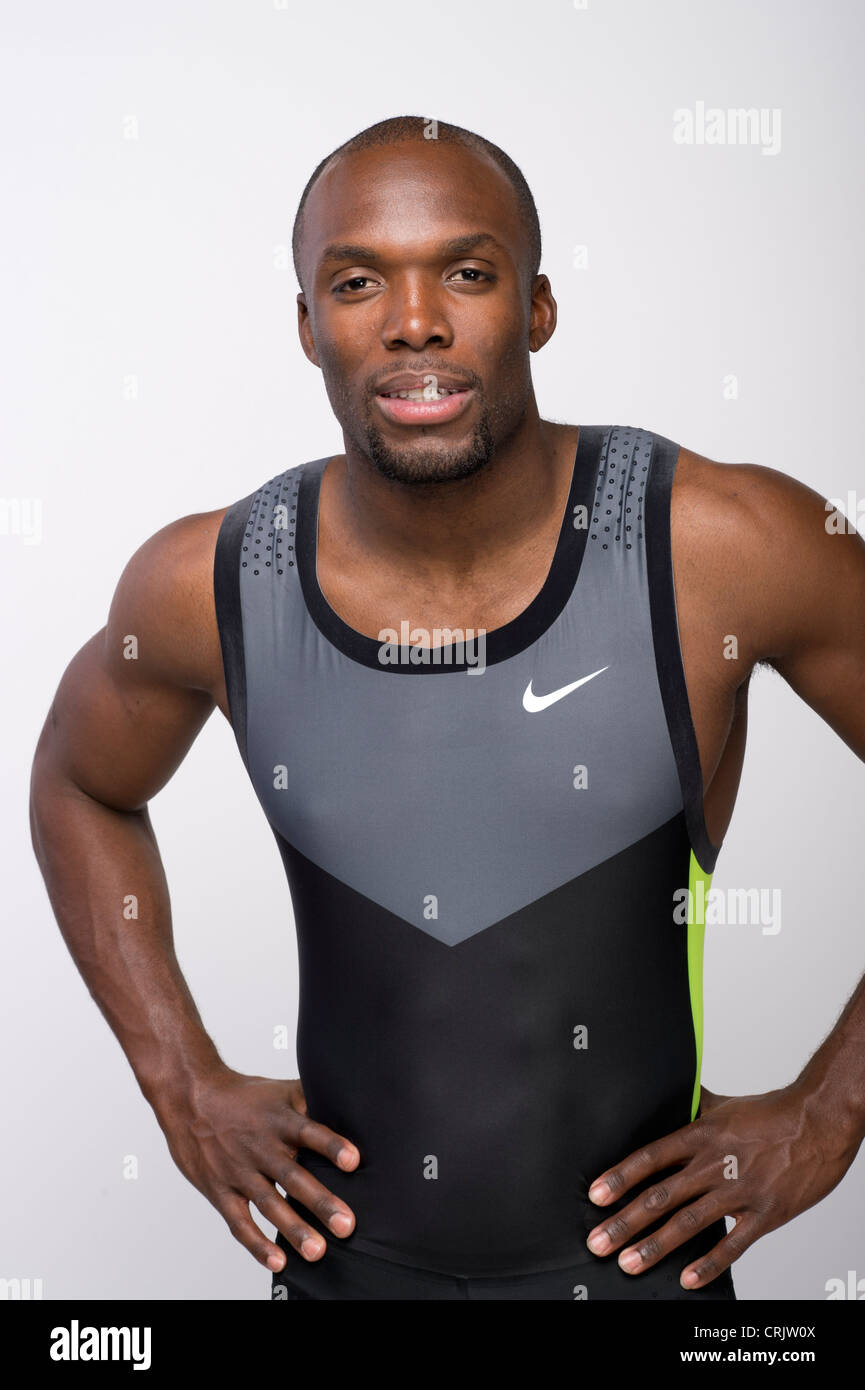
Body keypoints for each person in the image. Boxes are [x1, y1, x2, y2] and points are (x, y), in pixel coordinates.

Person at [30, 116, 865, 1302]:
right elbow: (79, 785)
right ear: (308, 322)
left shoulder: (722, 546)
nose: (413, 321)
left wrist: (831, 1110)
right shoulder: (207, 581)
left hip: (641, 1290)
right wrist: (180, 1080)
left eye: (466, 273)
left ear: (536, 308)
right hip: (338, 1282)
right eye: (359, 280)